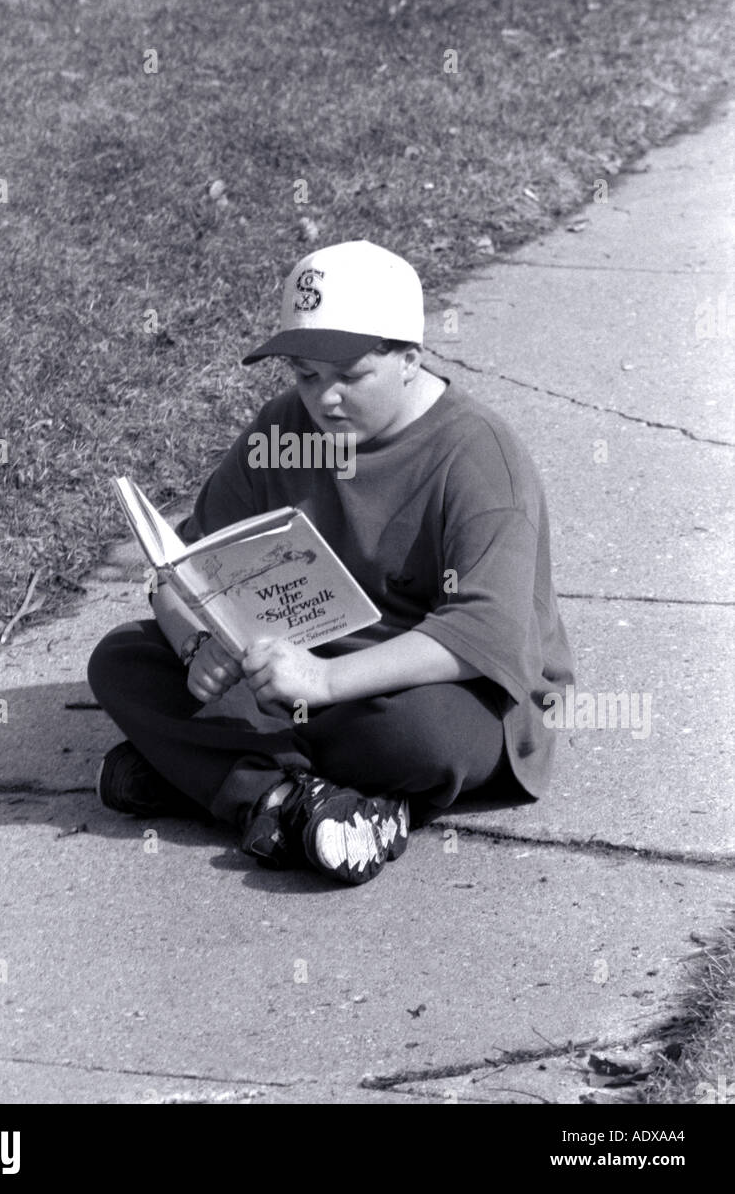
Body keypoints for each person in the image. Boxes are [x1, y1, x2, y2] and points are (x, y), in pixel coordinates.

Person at [87, 240, 574, 887]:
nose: (327, 400)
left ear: (409, 358)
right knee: (122, 659)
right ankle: (313, 806)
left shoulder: (479, 454)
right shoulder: (282, 429)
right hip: (292, 675)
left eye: (350, 375)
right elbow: (184, 570)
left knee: (426, 738)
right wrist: (197, 641)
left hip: (428, 686)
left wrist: (322, 683)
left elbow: (488, 634)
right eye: (307, 375)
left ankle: (224, 777)